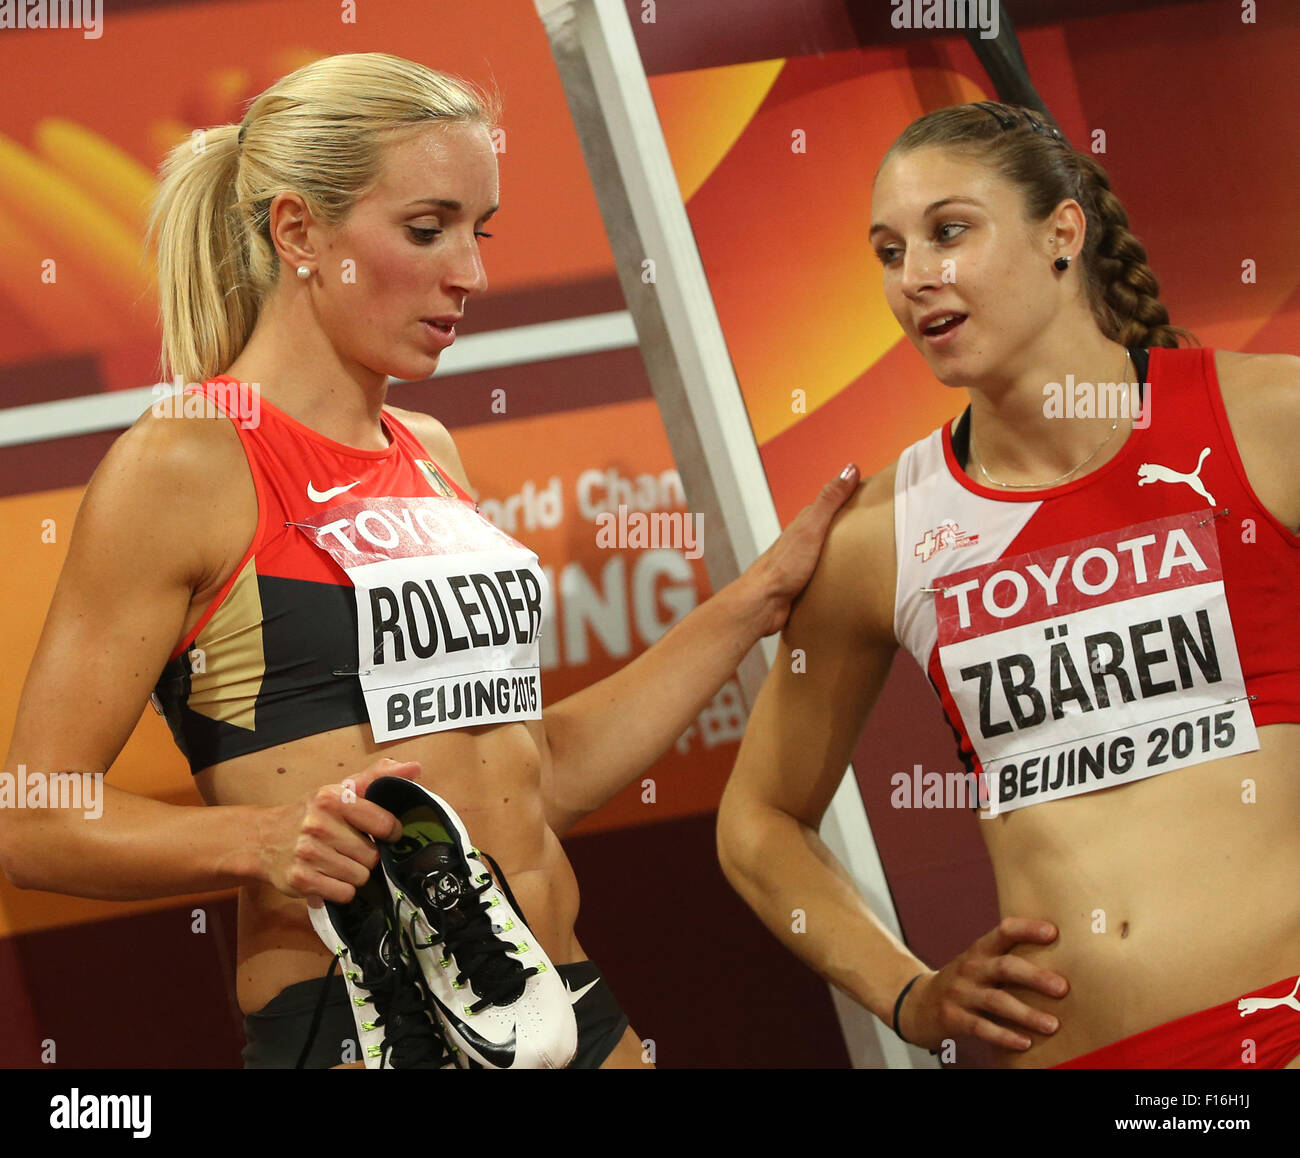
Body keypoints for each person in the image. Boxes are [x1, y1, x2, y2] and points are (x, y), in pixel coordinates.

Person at [0, 52, 859, 1070]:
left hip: (559, 999)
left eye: (477, 231)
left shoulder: (432, 453)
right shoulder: (187, 459)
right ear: (298, 230)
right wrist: (259, 840)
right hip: (371, 1027)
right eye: (426, 229)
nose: (470, 272)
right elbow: (34, 817)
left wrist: (757, 601)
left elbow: (539, 776)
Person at [717, 100, 1300, 1069]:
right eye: (887, 251)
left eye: (949, 231)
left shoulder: (1268, 420)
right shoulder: (882, 532)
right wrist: (907, 994)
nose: (915, 278)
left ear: (1060, 233)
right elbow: (756, 822)